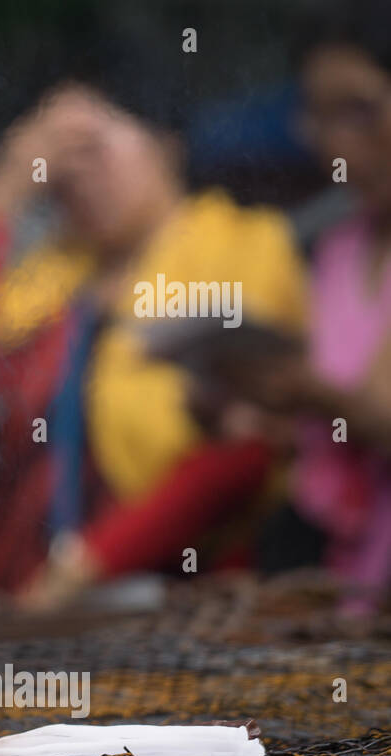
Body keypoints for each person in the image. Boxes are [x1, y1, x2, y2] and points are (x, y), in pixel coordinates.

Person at [0, 77, 309, 610]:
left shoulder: (243, 248)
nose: (74, 175)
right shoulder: (47, 278)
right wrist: (1, 195)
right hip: (27, 611)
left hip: (175, 600)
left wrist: (77, 574)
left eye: (89, 148)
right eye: (54, 160)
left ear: (164, 145)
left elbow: (245, 450)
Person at [225, 4, 391, 613]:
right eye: (320, 118)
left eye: (358, 111)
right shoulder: (340, 247)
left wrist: (313, 394)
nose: (335, 144)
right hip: (347, 580)